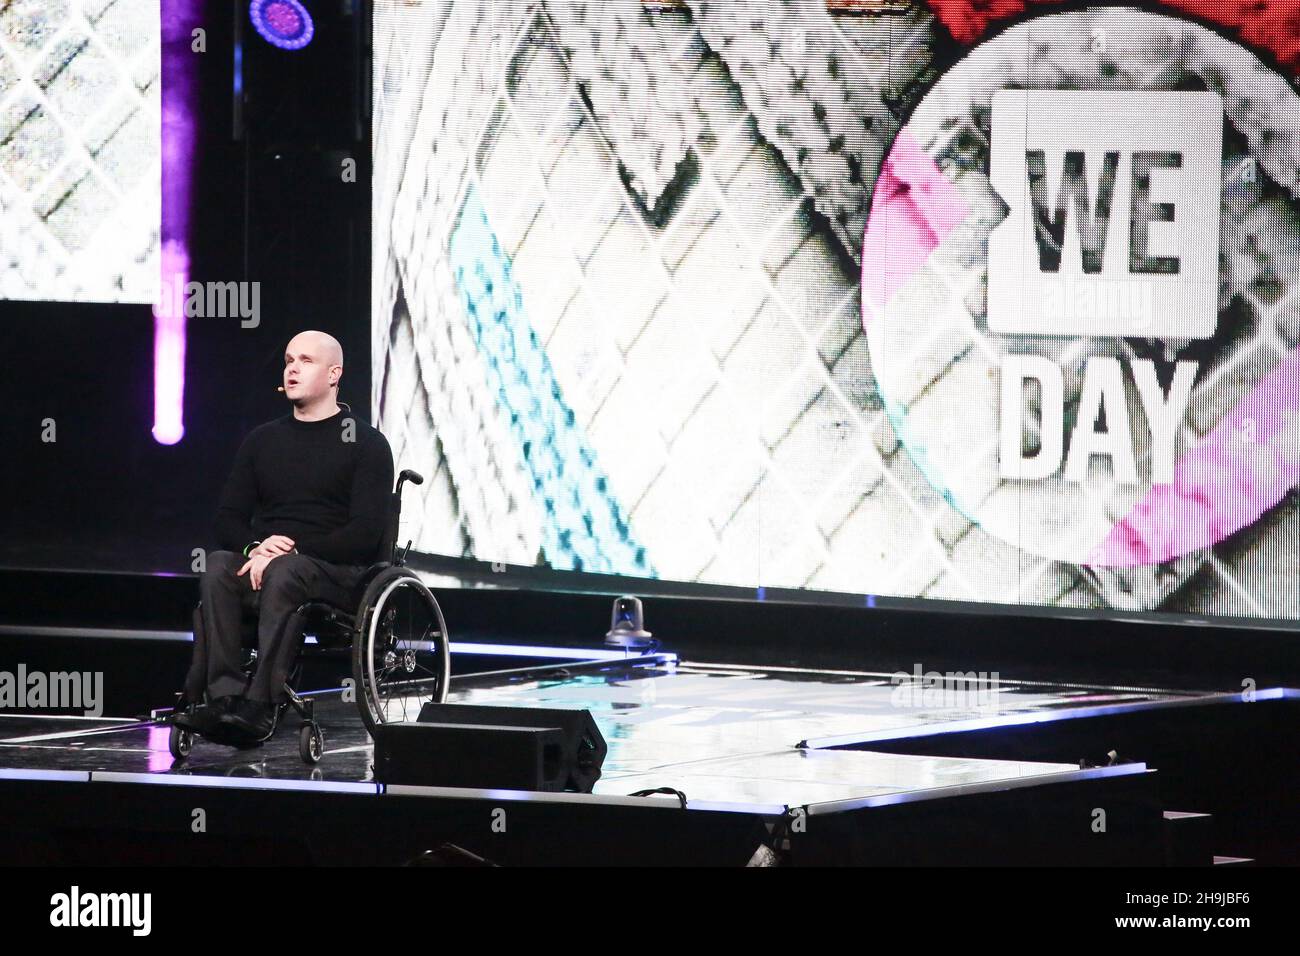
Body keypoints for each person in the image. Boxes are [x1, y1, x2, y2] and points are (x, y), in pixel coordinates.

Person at [176, 330, 394, 745]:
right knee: (220, 564)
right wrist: (254, 549)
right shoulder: (263, 440)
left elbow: (365, 534)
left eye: (306, 361)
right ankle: (222, 698)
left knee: (288, 572)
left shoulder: (366, 444)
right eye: (289, 359)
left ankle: (260, 704)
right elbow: (227, 518)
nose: (292, 368)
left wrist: (291, 550)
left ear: (334, 374)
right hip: (270, 563)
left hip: (336, 571)